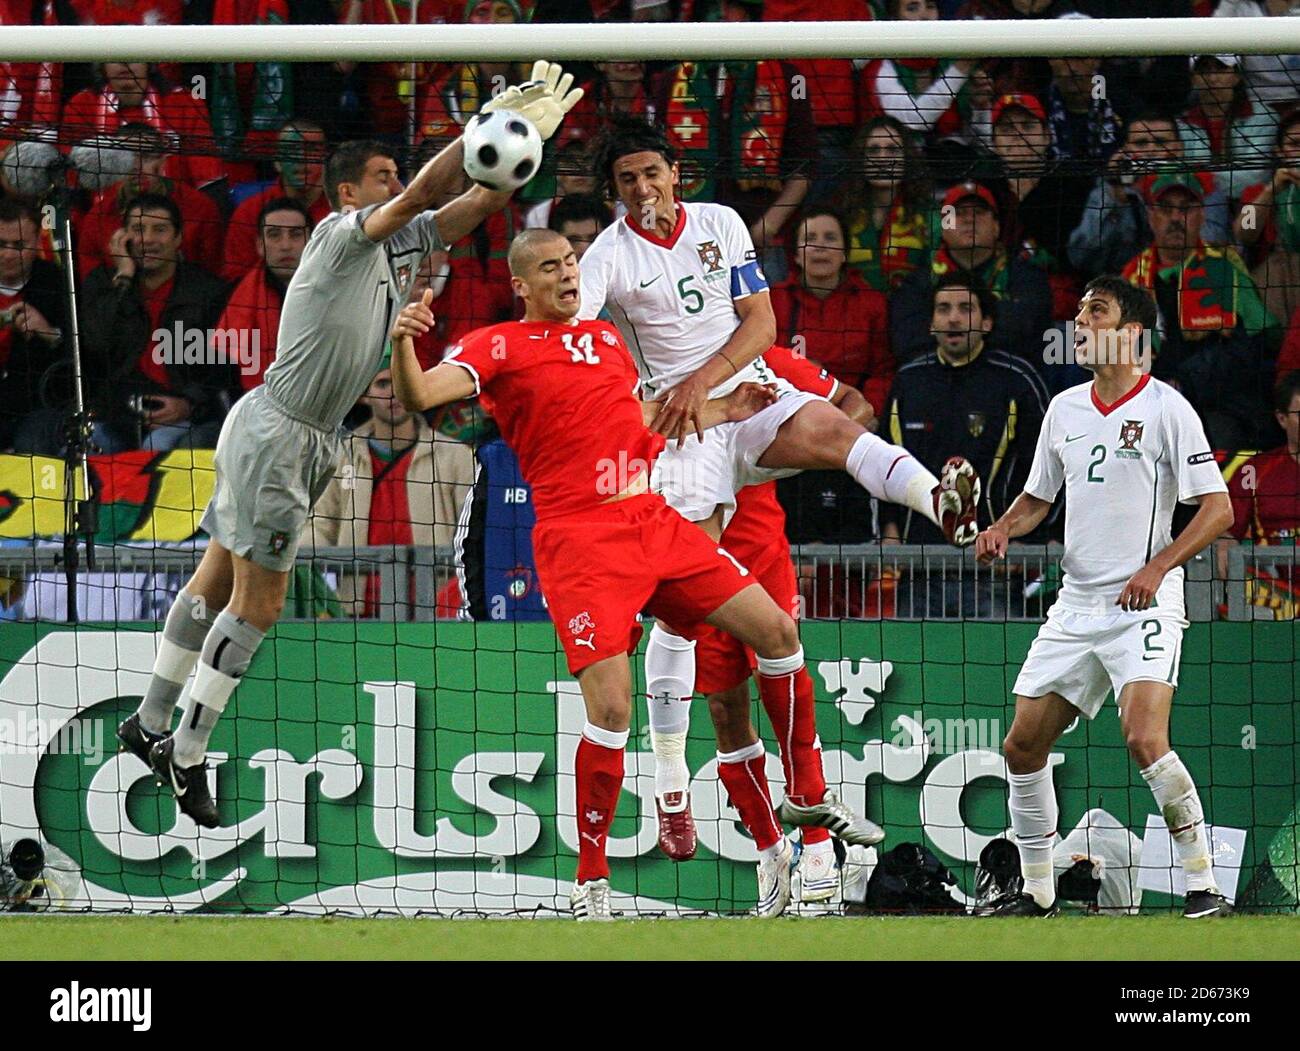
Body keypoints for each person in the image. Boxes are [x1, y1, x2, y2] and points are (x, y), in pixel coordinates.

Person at [114, 62, 584, 830]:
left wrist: (520, 138)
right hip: (281, 430)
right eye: (382, 175)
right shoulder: (338, 238)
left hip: (292, 430)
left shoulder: (398, 251)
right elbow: (427, 193)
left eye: (396, 171)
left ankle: (149, 718)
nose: (396, 182)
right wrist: (480, 129)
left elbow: (473, 201)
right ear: (348, 196)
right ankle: (188, 749)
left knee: (217, 570)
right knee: (258, 600)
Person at [390, 227, 880, 919]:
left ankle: (804, 790)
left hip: (651, 520)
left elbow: (636, 421)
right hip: (582, 540)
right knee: (613, 709)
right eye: (551, 267)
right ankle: (592, 880)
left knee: (775, 629)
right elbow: (420, 395)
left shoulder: (606, 342)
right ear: (522, 284)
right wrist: (403, 341)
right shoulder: (497, 343)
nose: (568, 273)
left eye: (571, 262)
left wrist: (721, 409)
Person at [578, 117, 981, 874]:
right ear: (613, 192)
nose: (642, 189)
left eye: (651, 173)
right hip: (685, 428)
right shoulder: (608, 255)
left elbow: (762, 321)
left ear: (676, 171)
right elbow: (577, 316)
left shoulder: (723, 224)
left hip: (745, 397)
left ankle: (940, 502)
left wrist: (712, 375)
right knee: (683, 597)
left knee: (831, 426)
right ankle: (670, 782)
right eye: (626, 181)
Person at [975, 275, 1235, 919]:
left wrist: (1157, 567)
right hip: (1075, 607)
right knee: (1021, 746)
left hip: (1143, 605)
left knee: (1145, 739)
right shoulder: (1064, 409)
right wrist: (1004, 527)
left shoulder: (1167, 408)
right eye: (1081, 311)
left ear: (1134, 333)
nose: (1081, 321)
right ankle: (1035, 890)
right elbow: (1039, 497)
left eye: (1098, 311)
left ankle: (1204, 882)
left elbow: (1219, 509)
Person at [884, 274, 1051, 617]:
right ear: (931, 323)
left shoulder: (1017, 380)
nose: (954, 318)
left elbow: (1048, 467)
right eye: (943, 309)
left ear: (987, 322)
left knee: (997, 669)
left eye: (966, 309)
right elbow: (885, 463)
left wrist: (1027, 542)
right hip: (918, 566)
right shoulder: (908, 381)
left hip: (993, 565)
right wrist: (889, 534)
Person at [1122, 170, 1278, 451]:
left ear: (1202, 216)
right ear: (1150, 217)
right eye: (1165, 209)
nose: (1175, 219)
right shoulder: (1131, 277)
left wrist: (1186, 382)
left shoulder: (1226, 267)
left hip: (1220, 402)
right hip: (1148, 402)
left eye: (1186, 209)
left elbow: (1253, 344)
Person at [305, 366, 476, 616]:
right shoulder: (339, 455)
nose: (394, 393)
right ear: (364, 394)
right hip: (356, 610)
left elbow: (473, 533)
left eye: (402, 382)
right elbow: (319, 527)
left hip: (436, 609)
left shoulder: (456, 457)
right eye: (383, 384)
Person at [79, 193, 231, 453]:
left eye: (159, 230)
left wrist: (188, 404)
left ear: (178, 238)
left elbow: (224, 367)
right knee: (85, 448)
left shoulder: (209, 292)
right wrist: (124, 276)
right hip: (117, 413)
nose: (148, 239)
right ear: (122, 238)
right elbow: (96, 343)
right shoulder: (104, 284)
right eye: (138, 230)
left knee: (156, 448)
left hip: (186, 414)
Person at [890, 180, 1054, 366]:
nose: (969, 219)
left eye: (979, 212)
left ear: (996, 226)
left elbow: (1030, 337)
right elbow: (908, 343)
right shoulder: (917, 283)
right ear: (943, 227)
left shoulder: (1027, 277)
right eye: (958, 213)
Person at [1068, 111, 1231, 278]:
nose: (1151, 150)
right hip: (1124, 287)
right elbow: (1080, 257)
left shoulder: (1203, 186)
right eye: (1141, 143)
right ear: (1125, 150)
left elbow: (1212, 239)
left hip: (1191, 280)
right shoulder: (1110, 190)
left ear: (1179, 148)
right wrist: (1116, 199)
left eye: (1161, 142)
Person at [214, 197, 312, 392]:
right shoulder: (226, 300)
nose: (285, 245)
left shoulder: (336, 294)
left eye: (295, 235)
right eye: (274, 235)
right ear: (260, 245)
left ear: (312, 242)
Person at [221, 120, 330, 282]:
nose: (301, 158)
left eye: (312, 150)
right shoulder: (249, 212)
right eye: (291, 150)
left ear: (325, 159)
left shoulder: (341, 211)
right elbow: (235, 278)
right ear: (277, 162)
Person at [0, 198, 66, 451]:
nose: (7, 254)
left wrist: (50, 334)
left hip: (38, 405)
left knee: (32, 446)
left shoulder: (59, 284)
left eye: (18, 245)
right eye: (1, 244)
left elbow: (87, 358)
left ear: (38, 241)